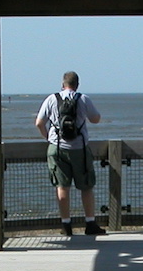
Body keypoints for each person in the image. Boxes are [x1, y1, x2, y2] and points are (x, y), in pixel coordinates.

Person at [35, 72, 105, 236]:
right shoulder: (83, 99)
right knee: (86, 186)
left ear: (62, 84)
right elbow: (95, 119)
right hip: (80, 148)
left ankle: (66, 225)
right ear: (77, 84)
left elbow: (39, 123)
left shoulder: (52, 99)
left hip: (57, 148)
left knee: (62, 187)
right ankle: (90, 223)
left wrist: (49, 138)